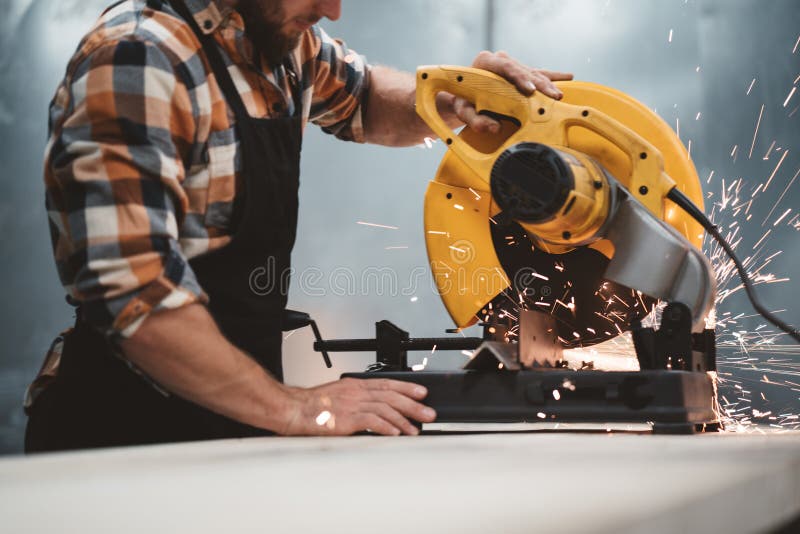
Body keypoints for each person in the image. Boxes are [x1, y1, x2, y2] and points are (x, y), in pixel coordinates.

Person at [24, 0, 573, 452]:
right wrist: (296, 406)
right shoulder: (138, 59)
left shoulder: (280, 42)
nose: (331, 10)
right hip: (121, 437)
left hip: (229, 418)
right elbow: (134, 299)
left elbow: (366, 101)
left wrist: (453, 99)